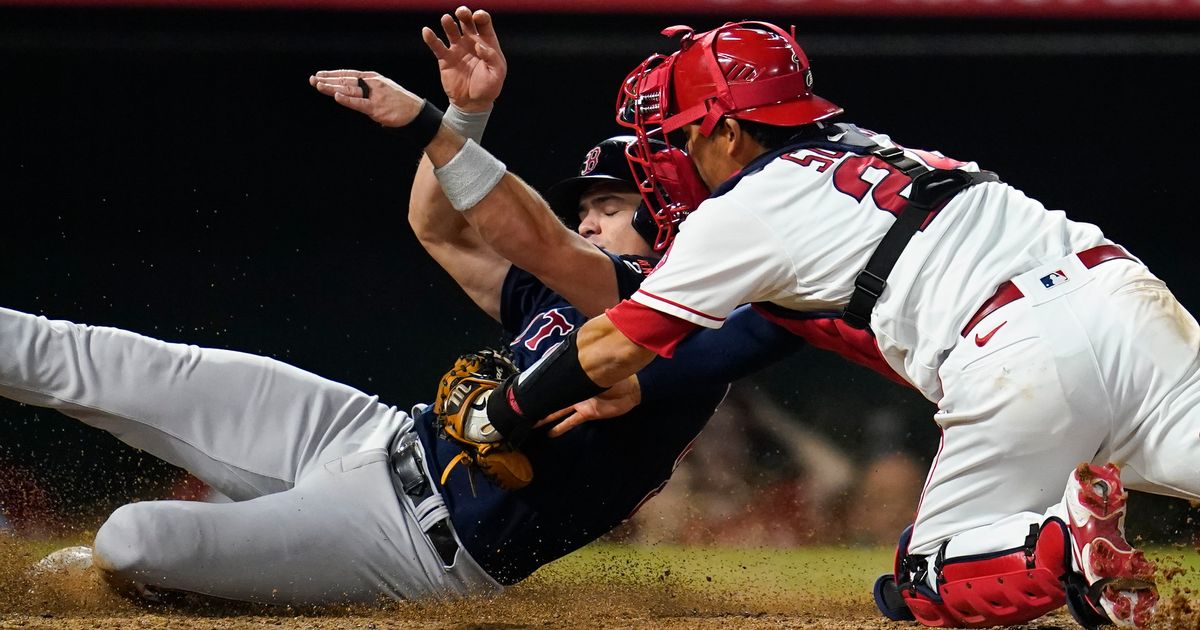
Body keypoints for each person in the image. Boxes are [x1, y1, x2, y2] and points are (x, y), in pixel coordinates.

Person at [343, 17, 1199, 630]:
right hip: (1120, 291)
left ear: (722, 127)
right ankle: (1067, 541)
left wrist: (507, 412)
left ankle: (1061, 545)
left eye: (678, 133)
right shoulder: (871, 144)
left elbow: (613, 338)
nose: (668, 153)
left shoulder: (748, 207)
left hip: (1013, 348)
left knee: (924, 582)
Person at [14, 9, 795, 605]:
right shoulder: (564, 291)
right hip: (373, 432)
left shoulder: (689, 328)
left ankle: (197, 586)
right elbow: (440, 227)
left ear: (667, 215)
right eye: (584, 208)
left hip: (416, 547)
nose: (588, 221)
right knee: (82, 355)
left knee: (133, 538)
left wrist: (431, 125)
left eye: (612, 205)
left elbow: (540, 240)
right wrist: (465, 116)